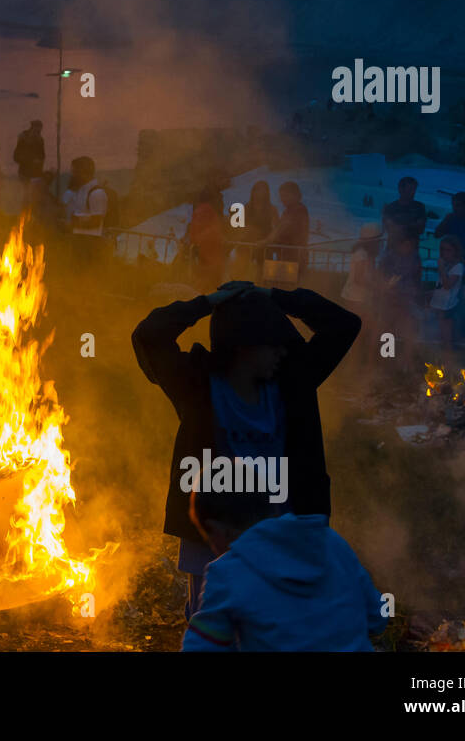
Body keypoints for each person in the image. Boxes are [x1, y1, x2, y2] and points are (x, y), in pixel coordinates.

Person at [132, 280, 360, 619]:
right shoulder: (195, 381)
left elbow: (344, 324)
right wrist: (208, 302)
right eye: (273, 344)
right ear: (244, 346)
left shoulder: (292, 379)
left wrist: (275, 296)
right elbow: (149, 335)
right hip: (212, 536)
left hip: (281, 533)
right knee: (212, 626)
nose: (284, 351)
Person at [181, 489, 387, 651]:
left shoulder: (227, 573)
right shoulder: (331, 542)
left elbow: (202, 648)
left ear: (216, 529)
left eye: (207, 538)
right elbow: (377, 616)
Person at [340, 223, 382, 371]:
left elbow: (371, 275)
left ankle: (356, 366)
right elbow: (359, 278)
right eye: (378, 240)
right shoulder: (361, 254)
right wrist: (378, 287)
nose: (380, 243)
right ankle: (361, 366)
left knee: (361, 333)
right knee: (363, 333)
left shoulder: (367, 254)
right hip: (355, 299)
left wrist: (382, 283)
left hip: (360, 299)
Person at [61, 156, 108, 267]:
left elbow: (96, 221)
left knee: (87, 275)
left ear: (83, 172)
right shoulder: (81, 190)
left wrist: (72, 225)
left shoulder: (97, 193)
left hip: (91, 244)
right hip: (79, 241)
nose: (72, 175)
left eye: (74, 172)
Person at [185, 185, 226, 290]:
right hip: (208, 252)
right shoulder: (206, 210)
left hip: (207, 252)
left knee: (206, 283)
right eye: (220, 199)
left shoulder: (203, 211)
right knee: (207, 283)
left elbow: (196, 230)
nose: (222, 202)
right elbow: (207, 230)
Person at [428, 235, 465, 349]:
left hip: (447, 307)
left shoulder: (458, 266)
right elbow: (441, 286)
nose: (444, 253)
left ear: (455, 251)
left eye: (448, 250)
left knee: (446, 339)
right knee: (438, 337)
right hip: (438, 305)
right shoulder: (447, 265)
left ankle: (449, 362)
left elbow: (448, 285)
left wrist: (441, 268)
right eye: (442, 249)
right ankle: (440, 361)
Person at [265, 181, 310, 269]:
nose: (282, 199)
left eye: (285, 196)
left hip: (294, 256)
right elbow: (282, 227)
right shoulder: (288, 211)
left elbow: (283, 228)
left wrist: (267, 240)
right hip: (287, 255)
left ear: (295, 195)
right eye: (281, 196)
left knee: (291, 281)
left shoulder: (298, 209)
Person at [433, 192, 465, 259]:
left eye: (458, 205)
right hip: (450, 259)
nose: (454, 208)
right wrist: (445, 221)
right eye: (453, 205)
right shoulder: (450, 219)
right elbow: (437, 235)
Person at [382, 176, 426, 250]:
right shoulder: (390, 208)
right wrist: (410, 225)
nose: (412, 192)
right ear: (400, 189)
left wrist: (400, 226)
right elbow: (388, 227)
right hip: (393, 249)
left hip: (411, 251)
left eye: (414, 190)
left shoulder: (419, 207)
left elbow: (421, 228)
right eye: (409, 189)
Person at [13, 120, 46, 205]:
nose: (38, 131)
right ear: (32, 128)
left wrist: (38, 162)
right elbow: (16, 156)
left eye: (39, 130)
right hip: (25, 172)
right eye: (37, 129)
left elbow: (42, 156)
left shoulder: (40, 140)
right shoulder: (23, 139)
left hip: (35, 173)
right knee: (26, 196)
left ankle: (31, 215)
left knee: (34, 197)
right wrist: (29, 161)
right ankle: (24, 216)